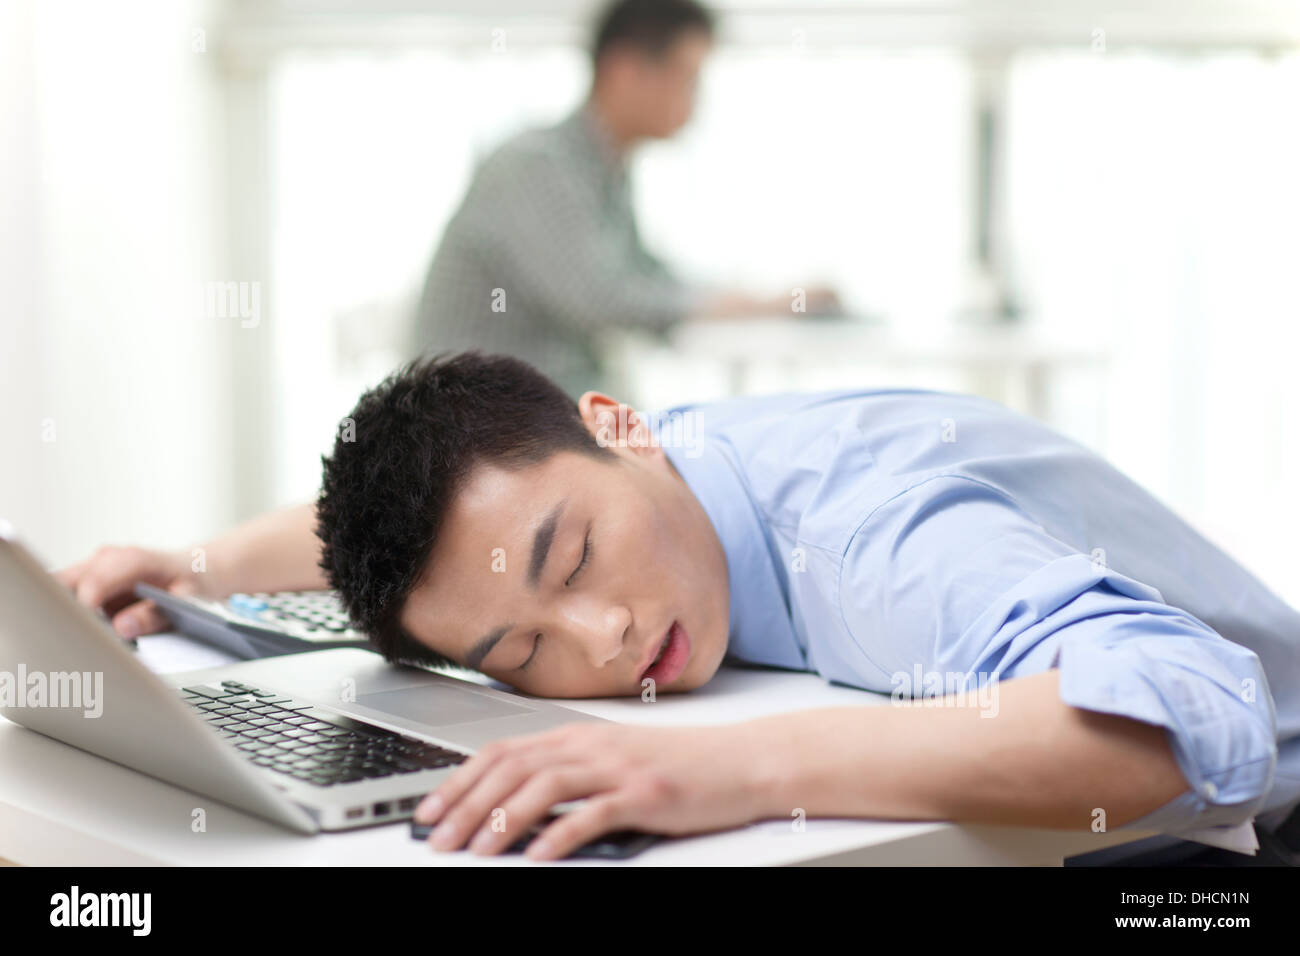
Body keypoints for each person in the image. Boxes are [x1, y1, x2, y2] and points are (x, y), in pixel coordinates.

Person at [58, 352, 1299, 863]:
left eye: (576, 556)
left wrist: (735, 771)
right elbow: (461, 564)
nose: (599, 637)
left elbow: (1177, 715)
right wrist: (198, 562)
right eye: (521, 651)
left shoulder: (880, 543)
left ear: (618, 426)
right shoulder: (639, 470)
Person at [412, 0, 837, 397]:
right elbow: (604, 299)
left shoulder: (603, 170)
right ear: (625, 70)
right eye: (687, 78)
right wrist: (758, 305)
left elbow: (646, 272)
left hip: (536, 416)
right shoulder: (536, 166)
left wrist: (750, 298)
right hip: (476, 430)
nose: (695, 101)